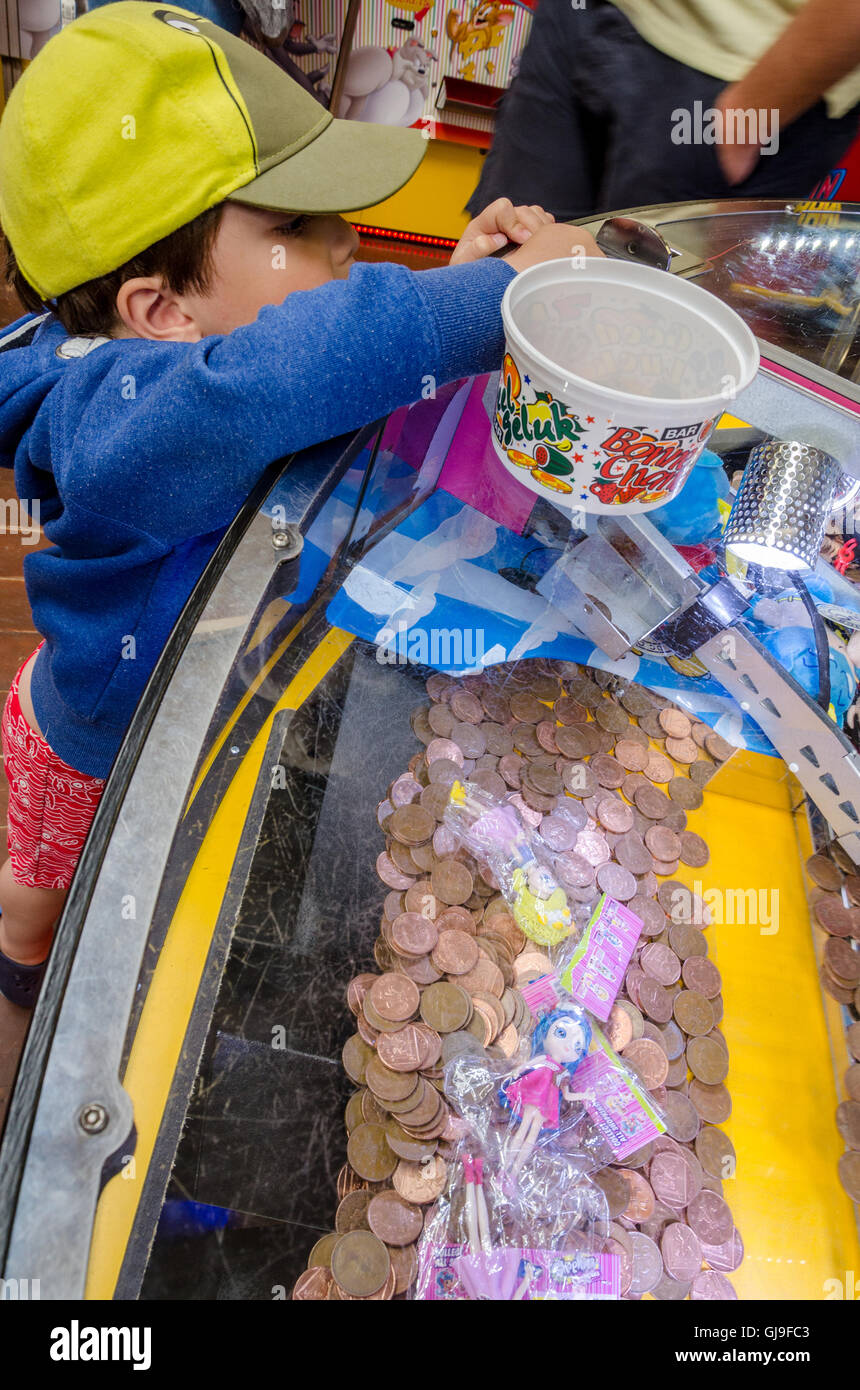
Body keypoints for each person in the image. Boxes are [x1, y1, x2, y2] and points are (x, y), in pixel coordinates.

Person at [0, 3, 599, 1008]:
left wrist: (457, 281)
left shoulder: (183, 363)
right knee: (38, 919)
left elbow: (316, 370)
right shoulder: (123, 416)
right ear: (159, 310)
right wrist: (492, 295)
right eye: (294, 227)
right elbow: (287, 370)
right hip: (94, 740)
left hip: (184, 689)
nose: (345, 241)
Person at [467, 0, 860, 219]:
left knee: (636, 335)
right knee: (503, 274)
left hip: (729, 71)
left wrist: (749, 112)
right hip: (576, 18)